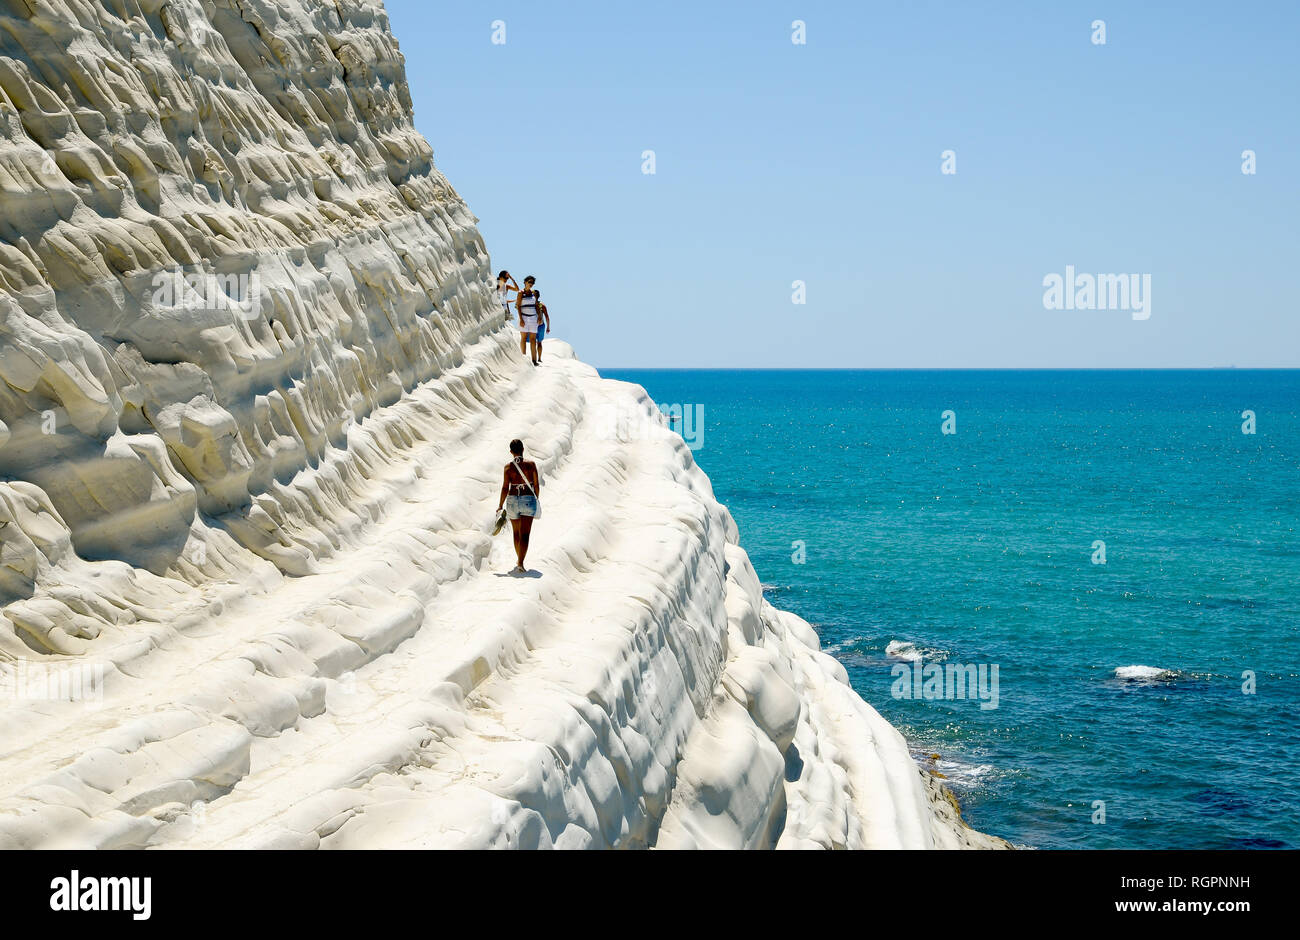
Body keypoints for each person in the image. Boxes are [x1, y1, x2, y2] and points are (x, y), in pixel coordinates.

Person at [496, 439, 540, 572]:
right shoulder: (531, 465)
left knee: (516, 532)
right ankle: (521, 562)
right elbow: (536, 484)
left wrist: (500, 505)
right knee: (525, 534)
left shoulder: (508, 468)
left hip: (512, 500)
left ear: (511, 452)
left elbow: (505, 487)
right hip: (528, 498)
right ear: (523, 449)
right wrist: (535, 498)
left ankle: (519, 559)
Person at [516, 276, 540, 364]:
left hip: (533, 317)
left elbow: (536, 305)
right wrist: (521, 319)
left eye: (532, 283)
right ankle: (524, 359)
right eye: (529, 282)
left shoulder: (533, 293)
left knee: (533, 339)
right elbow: (518, 306)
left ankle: (534, 360)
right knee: (524, 338)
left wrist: (539, 316)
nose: (531, 284)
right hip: (524, 317)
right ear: (525, 282)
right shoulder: (521, 293)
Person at [535, 299, 551, 364]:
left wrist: (548, 327)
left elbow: (547, 316)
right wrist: (548, 327)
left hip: (537, 325)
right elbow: (547, 316)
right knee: (537, 342)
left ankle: (537, 358)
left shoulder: (540, 305)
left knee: (537, 342)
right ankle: (537, 358)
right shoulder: (541, 305)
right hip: (538, 325)